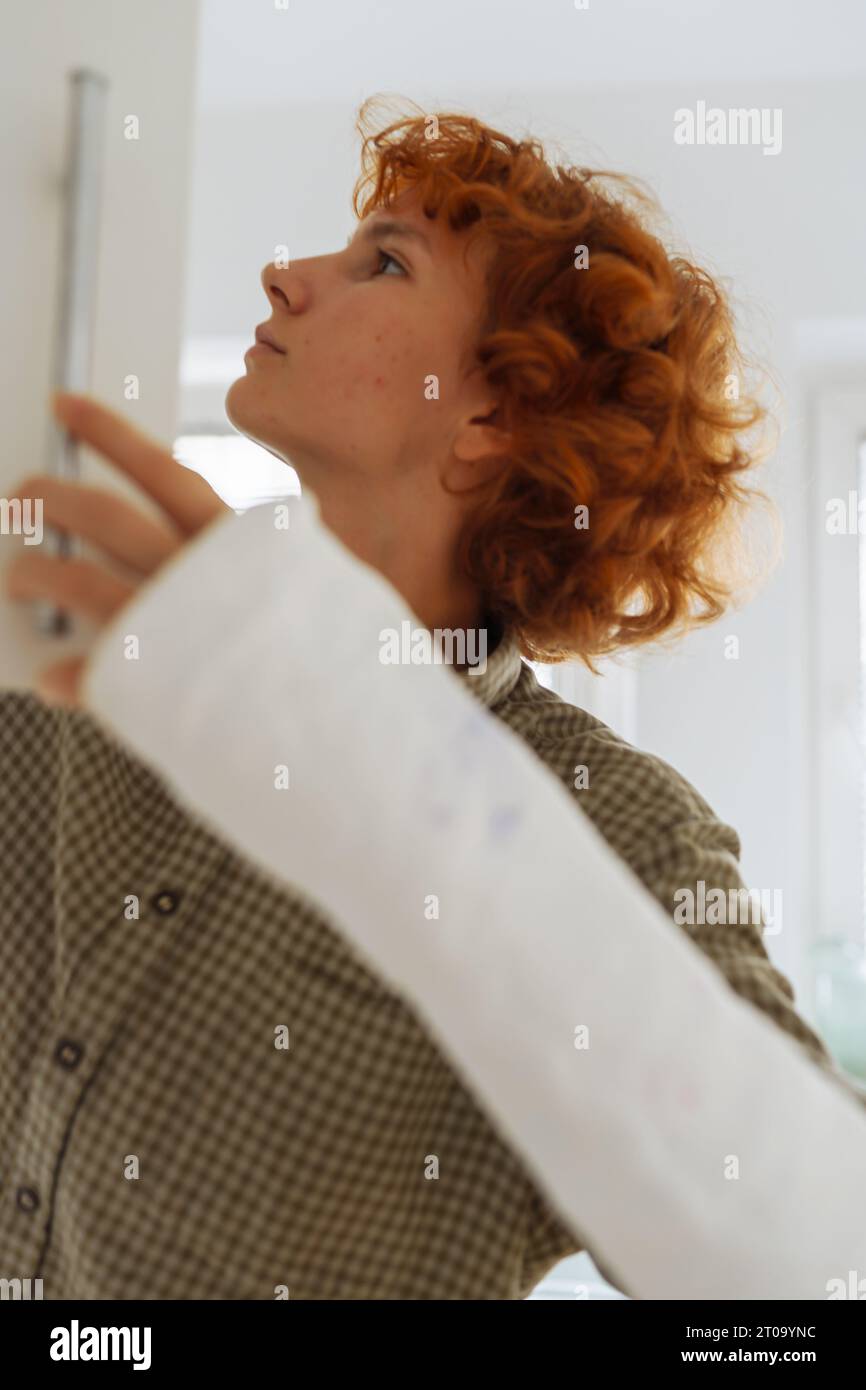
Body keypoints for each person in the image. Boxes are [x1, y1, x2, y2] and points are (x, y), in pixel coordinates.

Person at [2, 101, 859, 1300]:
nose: (286, 275)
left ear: (492, 417)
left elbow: (808, 1257)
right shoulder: (77, 655)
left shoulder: (621, 831)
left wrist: (367, 759)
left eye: (383, 263)